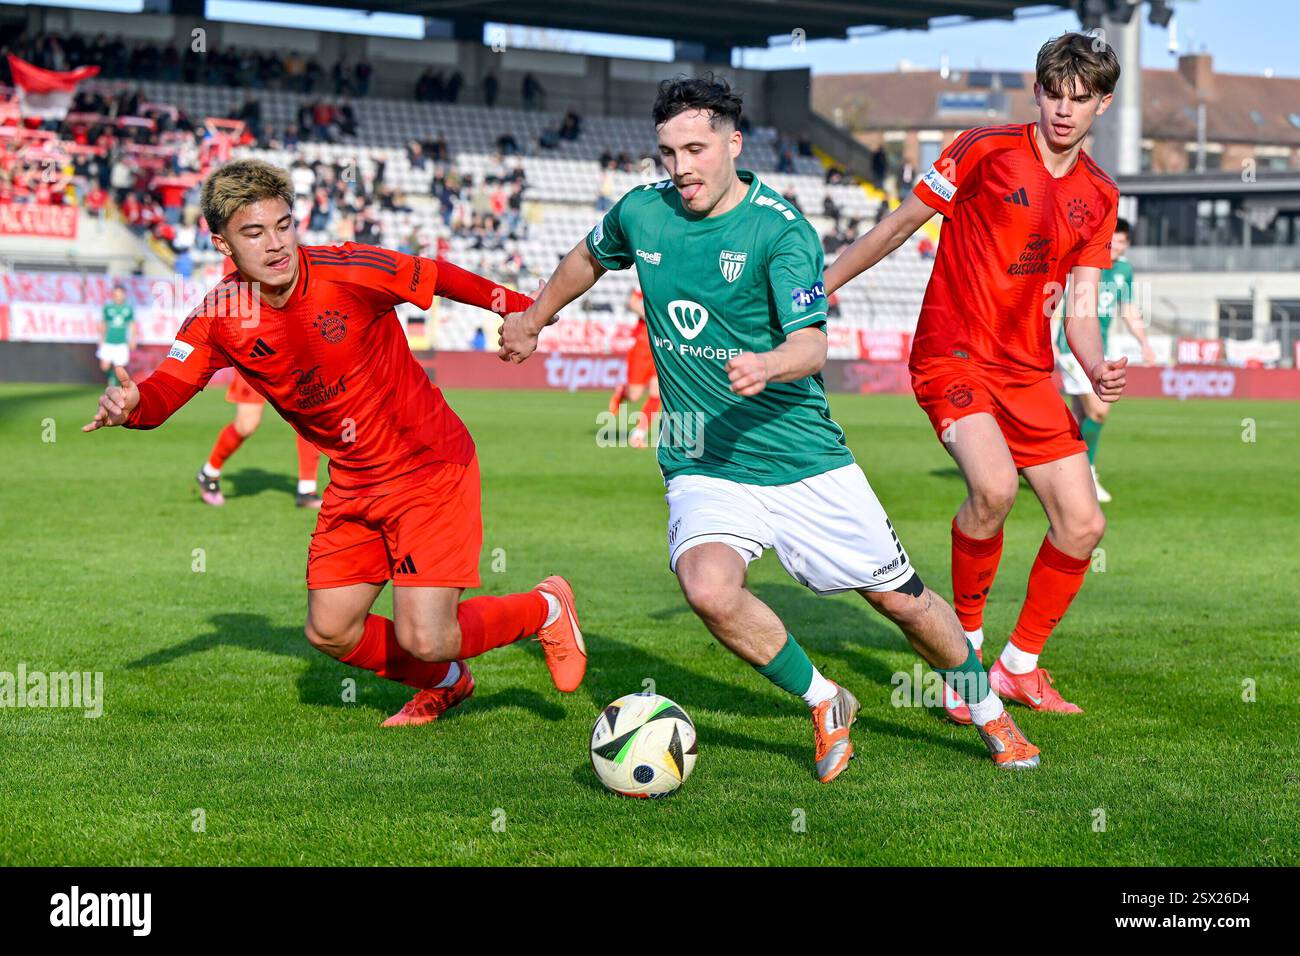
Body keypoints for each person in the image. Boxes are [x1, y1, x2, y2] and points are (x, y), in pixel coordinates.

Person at [499, 76, 1038, 781]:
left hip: (802, 456)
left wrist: (770, 364)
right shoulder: (642, 213)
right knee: (708, 587)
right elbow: (586, 259)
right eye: (668, 152)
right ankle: (824, 701)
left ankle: (991, 712)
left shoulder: (780, 230)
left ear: (733, 143)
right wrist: (535, 319)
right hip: (704, 456)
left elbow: (813, 345)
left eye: (696, 148)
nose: (681, 167)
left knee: (900, 602)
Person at [84, 159, 586, 727]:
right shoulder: (220, 315)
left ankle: (545, 606)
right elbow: (167, 390)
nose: (275, 244)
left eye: (284, 224)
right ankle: (447, 684)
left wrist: (521, 308)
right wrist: (132, 407)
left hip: (428, 467)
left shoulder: (347, 268)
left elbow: (437, 273)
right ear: (221, 243)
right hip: (354, 480)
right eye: (254, 232)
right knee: (330, 629)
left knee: (429, 635)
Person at [824, 33, 1128, 720]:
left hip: (1030, 374)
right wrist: (819, 289)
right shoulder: (983, 147)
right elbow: (901, 225)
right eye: (1053, 93)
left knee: (1082, 523)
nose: (1063, 109)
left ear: (1102, 105)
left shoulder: (1100, 195)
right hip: (951, 354)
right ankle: (964, 660)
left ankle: (1019, 667)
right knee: (992, 489)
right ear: (1037, 90)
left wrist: (1096, 362)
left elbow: (1081, 308)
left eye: (1080, 99)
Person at [1055, 218, 1155, 503]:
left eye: (1123, 242)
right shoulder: (1085, 262)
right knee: (1100, 411)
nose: (1118, 247)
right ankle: (1086, 475)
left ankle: (1062, 471)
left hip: (1100, 349)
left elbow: (1128, 309)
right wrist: (1050, 340)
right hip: (1072, 348)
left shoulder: (1124, 270)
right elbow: (1057, 300)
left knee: (1080, 417)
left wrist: (1144, 343)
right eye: (1115, 240)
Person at [195, 367, 326, 509]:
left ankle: (307, 491)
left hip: (291, 357)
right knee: (246, 425)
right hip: (254, 358)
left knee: (308, 417)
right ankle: (209, 473)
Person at [606, 285, 660, 449]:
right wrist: (653, 318)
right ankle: (623, 391)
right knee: (634, 395)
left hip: (661, 346)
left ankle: (638, 434)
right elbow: (633, 302)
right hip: (643, 345)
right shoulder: (650, 276)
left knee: (657, 393)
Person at [97, 285, 135, 385]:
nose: (118, 296)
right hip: (108, 341)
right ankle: (112, 380)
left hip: (121, 342)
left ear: (124, 295)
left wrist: (133, 339)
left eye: (120, 294)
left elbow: (132, 325)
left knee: (119, 368)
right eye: (116, 294)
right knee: (104, 366)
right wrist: (101, 339)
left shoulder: (128, 309)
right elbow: (103, 324)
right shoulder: (108, 308)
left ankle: (113, 384)